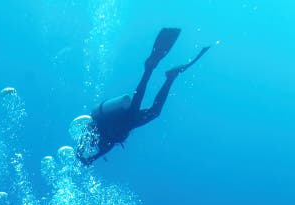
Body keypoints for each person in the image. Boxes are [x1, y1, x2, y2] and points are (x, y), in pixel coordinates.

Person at [75, 28, 210, 166]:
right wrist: (91, 158)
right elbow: (104, 149)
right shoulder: (103, 144)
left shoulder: (90, 135)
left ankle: (149, 68)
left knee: (135, 108)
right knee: (154, 112)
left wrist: (83, 155)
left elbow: (83, 147)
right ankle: (170, 77)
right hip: (126, 124)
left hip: (118, 120)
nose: (91, 145)